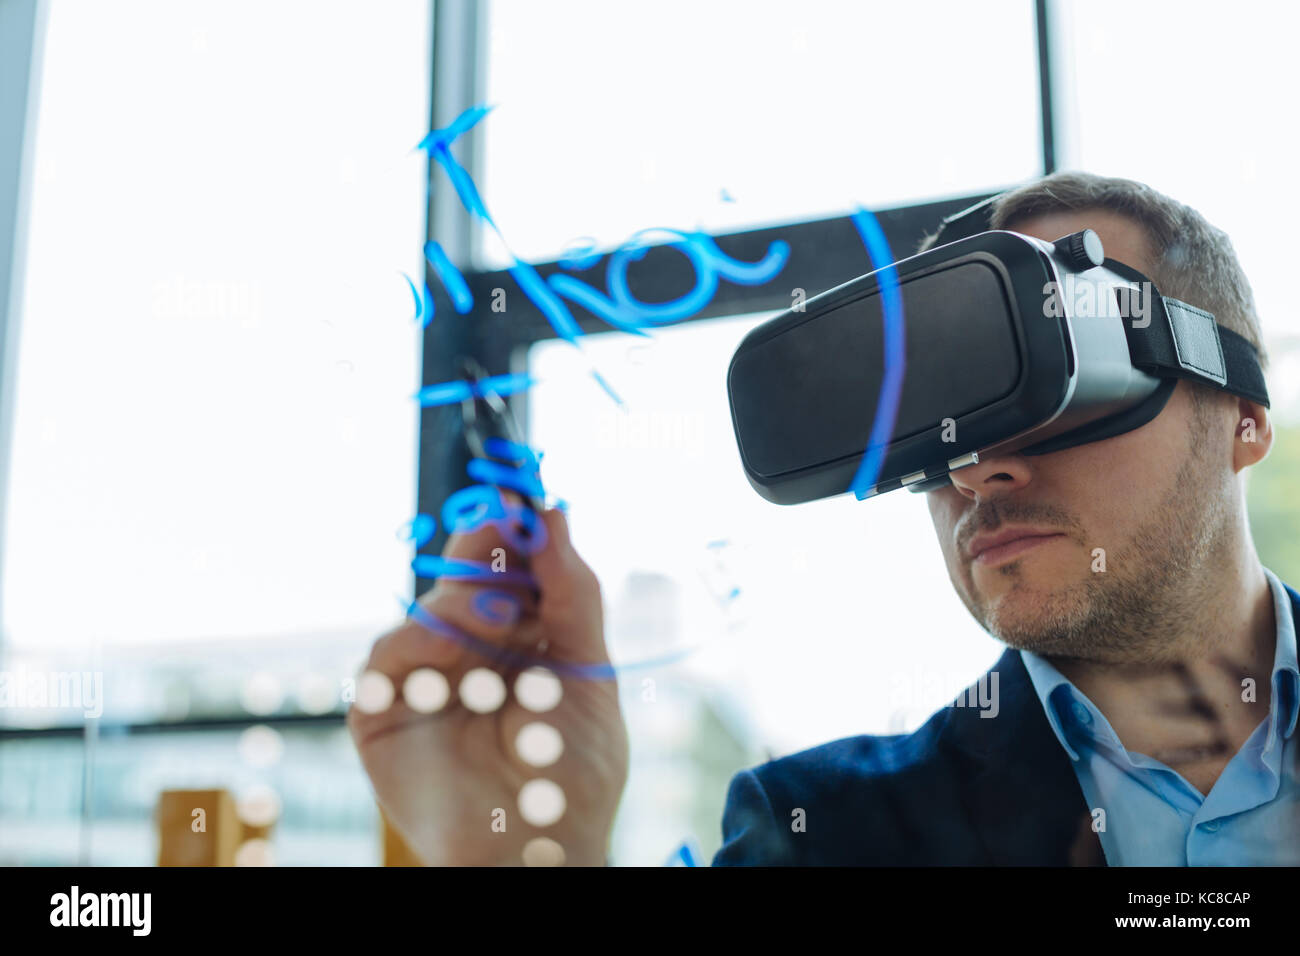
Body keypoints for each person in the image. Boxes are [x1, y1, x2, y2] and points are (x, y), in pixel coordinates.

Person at [348, 172, 1298, 865]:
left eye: (1066, 379)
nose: (976, 467)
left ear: (1244, 417)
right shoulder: (824, 834)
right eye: (934, 421)